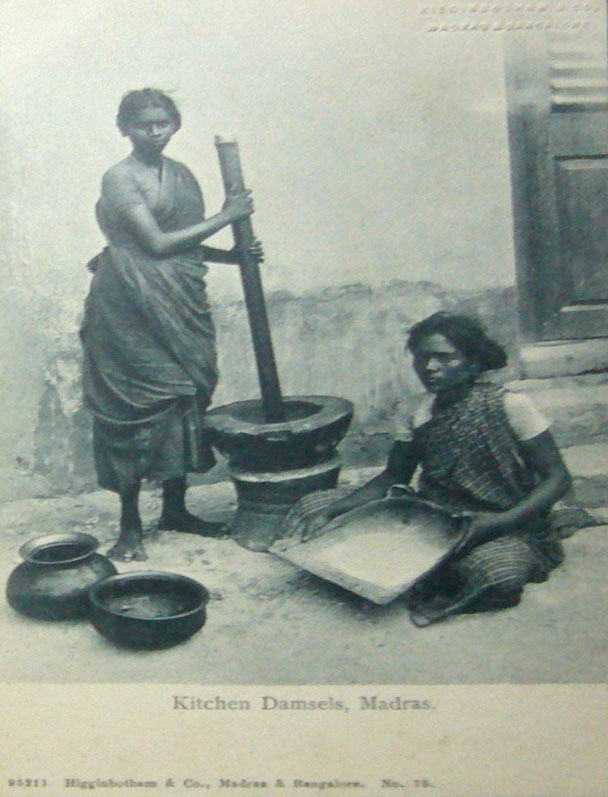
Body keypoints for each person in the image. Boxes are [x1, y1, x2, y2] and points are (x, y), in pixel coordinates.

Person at [289, 312, 573, 626]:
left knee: (499, 573)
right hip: (434, 519)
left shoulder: (510, 406)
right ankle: (434, 570)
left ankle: (444, 584)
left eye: (444, 358)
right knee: (314, 505)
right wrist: (335, 511)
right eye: (422, 359)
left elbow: (557, 478)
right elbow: (394, 476)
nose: (430, 368)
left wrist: (501, 521)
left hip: (504, 521)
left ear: (473, 363)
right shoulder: (416, 411)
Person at [81, 88, 262, 562]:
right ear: (124, 128)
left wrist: (232, 255)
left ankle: (176, 511)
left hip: (179, 301)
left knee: (184, 398)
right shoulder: (119, 178)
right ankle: (129, 526)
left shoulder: (180, 175)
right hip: (127, 308)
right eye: (144, 124)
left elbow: (184, 247)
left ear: (174, 124)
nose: (155, 132)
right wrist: (229, 214)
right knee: (134, 410)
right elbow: (157, 243)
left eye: (163, 122)